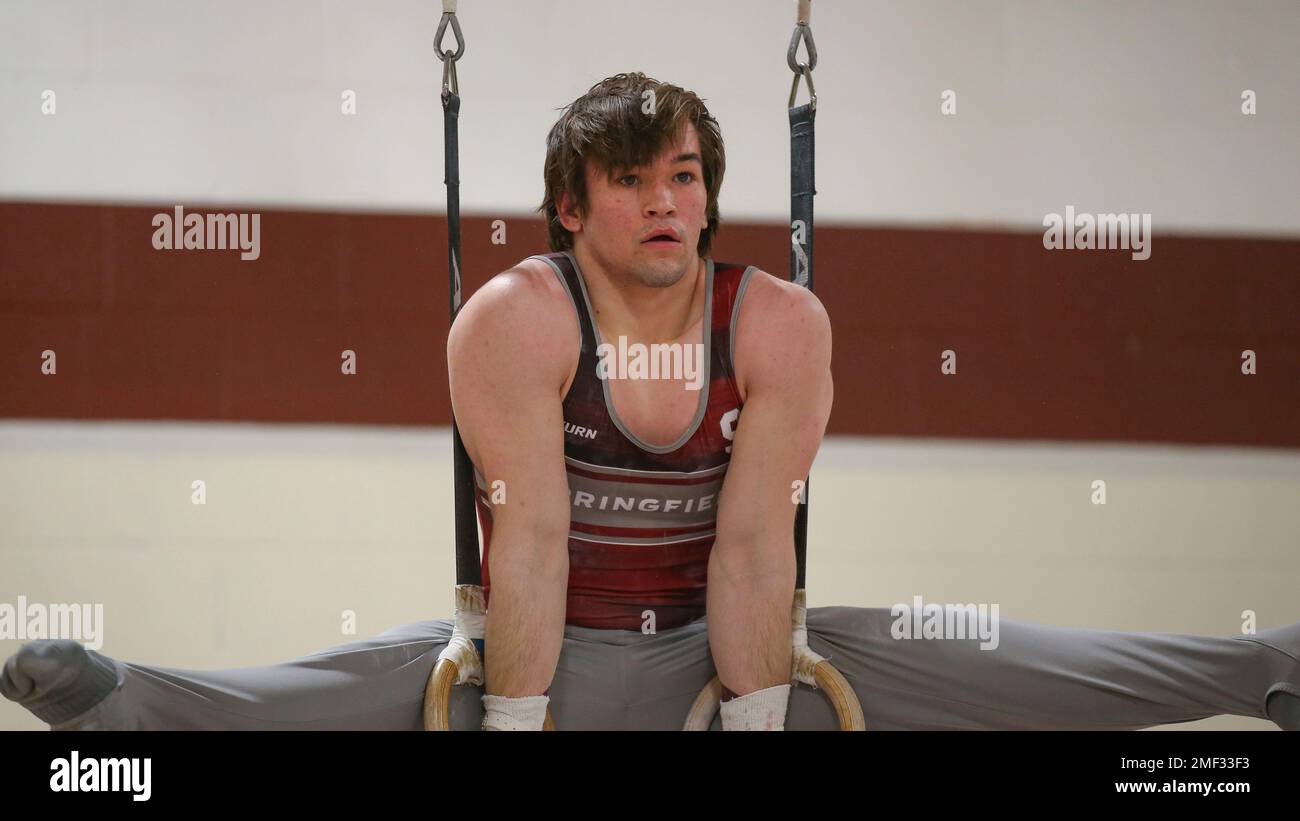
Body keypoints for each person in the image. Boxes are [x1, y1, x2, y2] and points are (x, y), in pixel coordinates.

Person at [4, 73, 1297, 731]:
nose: (668, 201)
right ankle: (131, 701)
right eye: (632, 180)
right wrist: (516, 726)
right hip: (549, 642)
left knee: (980, 653)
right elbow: (536, 546)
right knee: (361, 680)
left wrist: (749, 722)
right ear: (571, 206)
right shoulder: (517, 318)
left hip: (719, 639)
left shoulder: (777, 323)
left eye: (685, 176)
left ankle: (1268, 663)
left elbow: (750, 549)